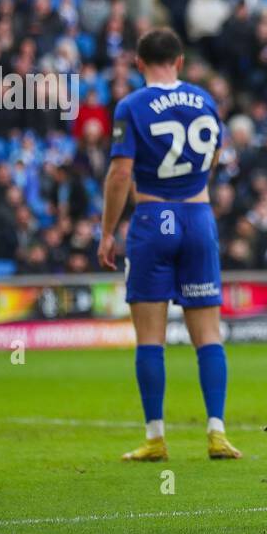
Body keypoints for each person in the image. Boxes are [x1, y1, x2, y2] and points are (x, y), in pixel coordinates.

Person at [97, 28, 240, 463]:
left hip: (152, 219)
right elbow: (217, 152)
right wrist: (196, 187)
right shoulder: (204, 99)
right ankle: (216, 431)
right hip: (198, 217)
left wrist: (106, 231)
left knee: (150, 339)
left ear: (139, 64)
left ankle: (156, 436)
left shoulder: (132, 105)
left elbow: (121, 173)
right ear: (179, 62)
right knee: (208, 335)